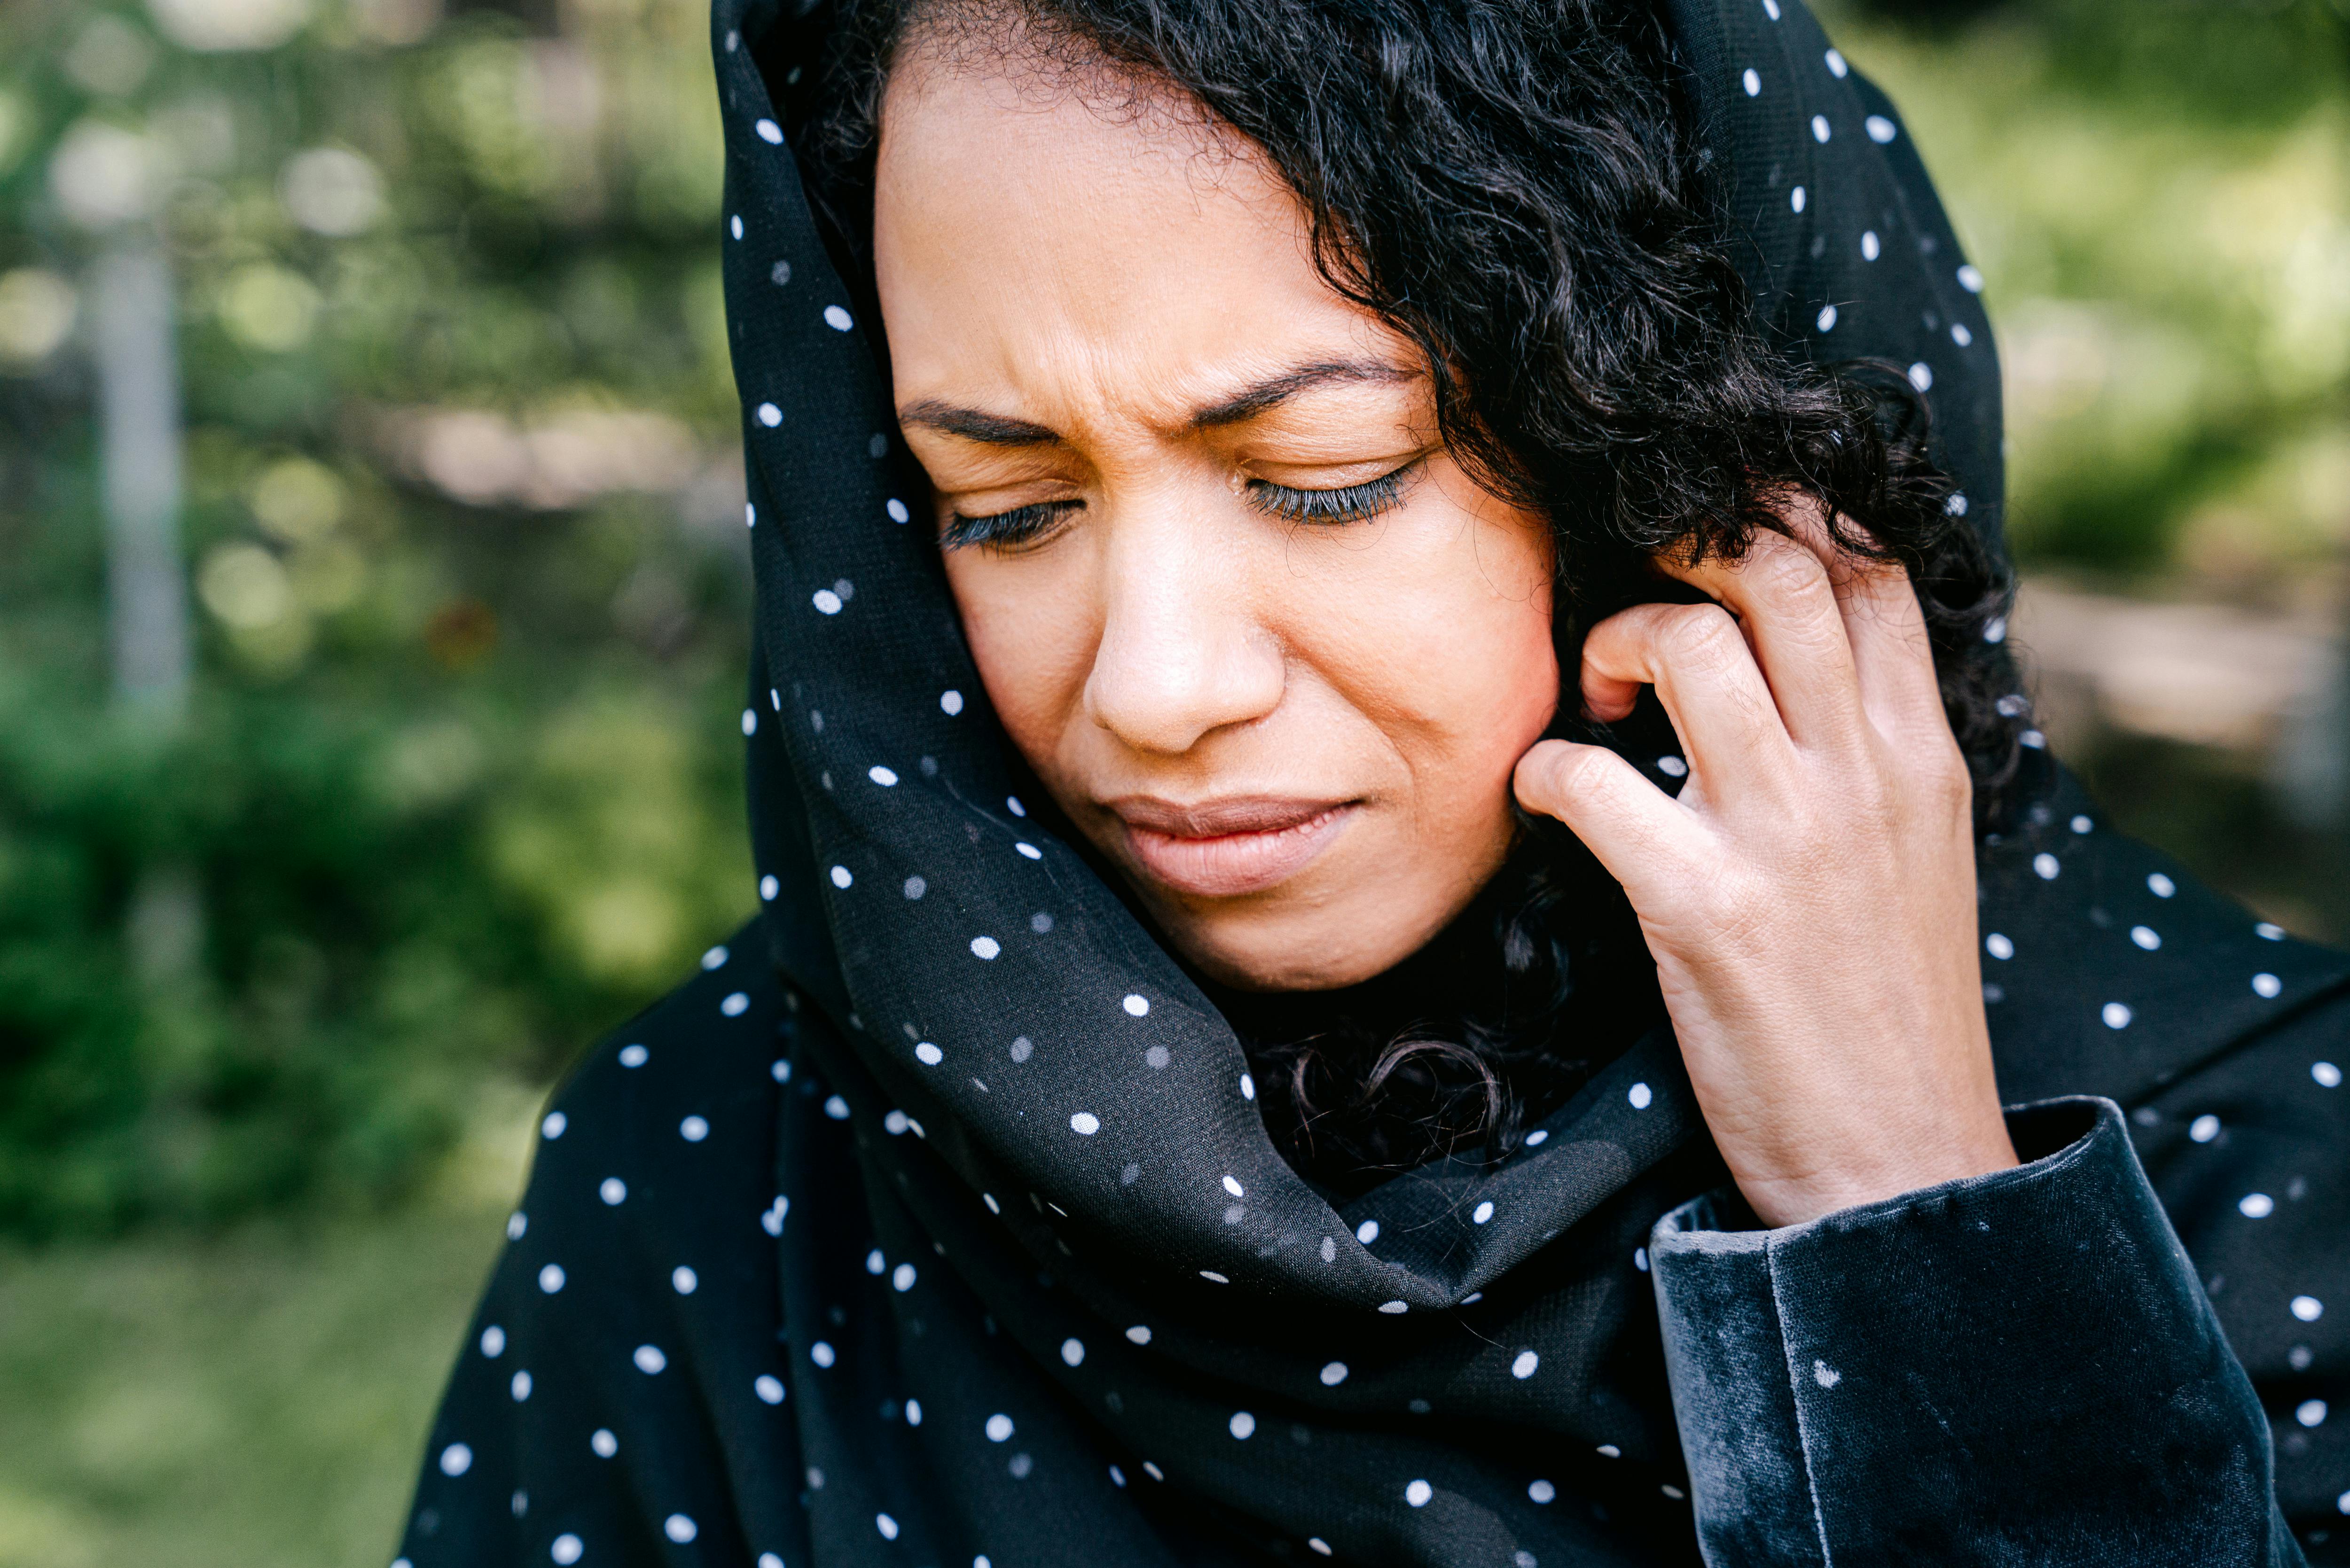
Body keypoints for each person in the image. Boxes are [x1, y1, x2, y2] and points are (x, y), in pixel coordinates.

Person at [393, 0, 2350, 1561]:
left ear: (1662, 461)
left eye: (1323, 479)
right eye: (1003, 506)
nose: (1154, 683)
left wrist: (1917, 1214)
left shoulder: (2259, 1172)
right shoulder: (727, 1183)